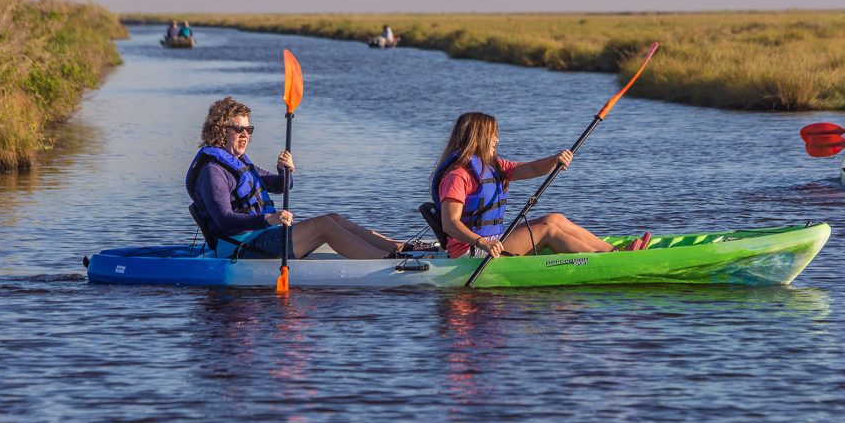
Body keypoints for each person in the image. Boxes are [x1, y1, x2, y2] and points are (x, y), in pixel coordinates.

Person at [186, 96, 406, 260]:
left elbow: (281, 186)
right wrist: (268, 219)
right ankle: (387, 263)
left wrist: (284, 171)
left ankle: (397, 249)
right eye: (238, 129)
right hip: (239, 246)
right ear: (221, 130)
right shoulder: (213, 171)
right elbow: (223, 219)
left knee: (333, 218)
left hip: (260, 236)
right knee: (324, 227)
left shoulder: (240, 162)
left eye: (248, 129)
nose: (245, 135)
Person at [430, 111, 650, 258]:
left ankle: (615, 253)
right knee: (548, 231)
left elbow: (534, 169)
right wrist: (482, 243)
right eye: (493, 135)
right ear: (477, 138)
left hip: (492, 240)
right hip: (470, 251)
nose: (497, 140)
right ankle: (604, 261)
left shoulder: (494, 166)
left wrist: (555, 160)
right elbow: (450, 224)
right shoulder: (457, 176)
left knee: (553, 219)